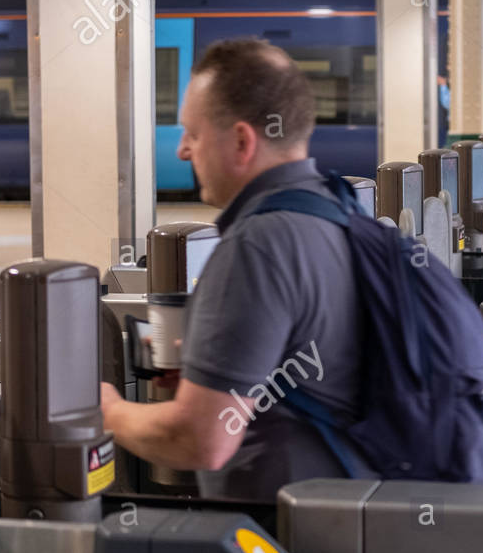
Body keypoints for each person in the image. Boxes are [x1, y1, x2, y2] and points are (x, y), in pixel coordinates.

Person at [100, 37, 371, 501]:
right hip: (358, 507)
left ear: (243, 141)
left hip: (291, 537)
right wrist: (219, 366)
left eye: (194, 134)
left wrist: (105, 411)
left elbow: (198, 440)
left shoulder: (255, 246)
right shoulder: (343, 214)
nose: (183, 150)